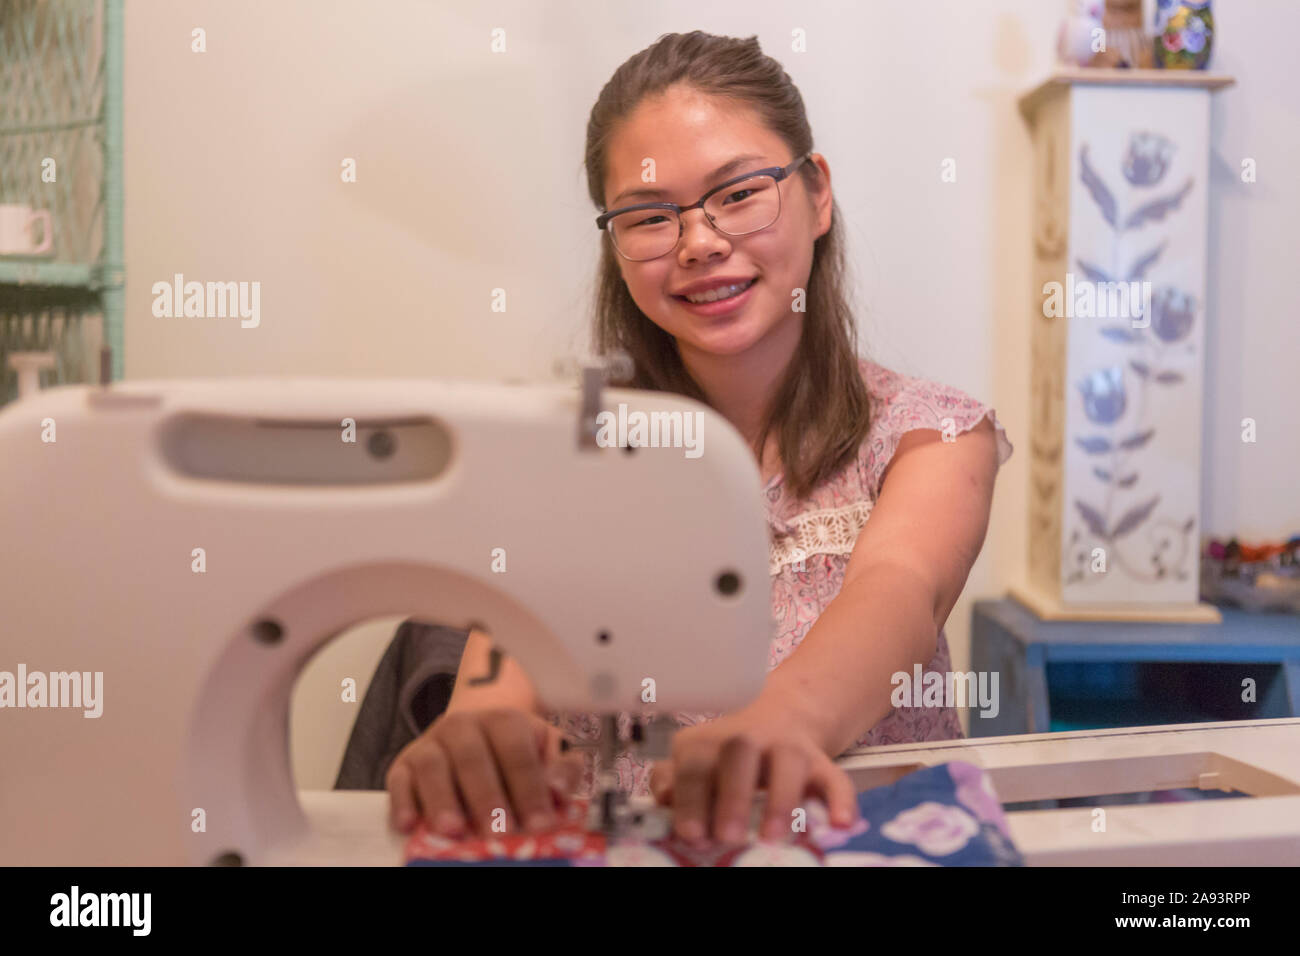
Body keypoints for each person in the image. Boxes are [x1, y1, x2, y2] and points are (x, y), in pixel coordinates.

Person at [387, 30, 1013, 847]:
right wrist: (480, 731)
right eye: (649, 216)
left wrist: (778, 726)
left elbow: (898, 589)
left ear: (816, 193)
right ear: (614, 242)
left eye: (740, 192)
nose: (700, 242)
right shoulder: (571, 454)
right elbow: (503, 659)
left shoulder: (930, 438)